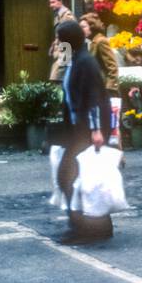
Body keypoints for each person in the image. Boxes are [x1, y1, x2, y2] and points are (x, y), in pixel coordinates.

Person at [55, 20, 114, 245]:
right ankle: (99, 226)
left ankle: (83, 228)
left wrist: (97, 130)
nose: (58, 42)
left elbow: (94, 98)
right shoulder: (75, 58)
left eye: (60, 38)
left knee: (68, 177)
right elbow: (63, 72)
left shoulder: (86, 62)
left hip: (88, 130)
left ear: (68, 39)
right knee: (86, 179)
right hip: (78, 128)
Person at [80, 13, 118, 95]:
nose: (81, 30)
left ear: (92, 26)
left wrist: (110, 88)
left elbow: (112, 66)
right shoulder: (93, 42)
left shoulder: (101, 41)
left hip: (104, 89)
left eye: (83, 27)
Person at [48, 0, 75, 81]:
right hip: (60, 52)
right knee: (57, 79)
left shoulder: (67, 15)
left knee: (58, 79)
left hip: (65, 51)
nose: (51, 5)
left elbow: (71, 36)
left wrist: (65, 57)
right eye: (50, 3)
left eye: (53, 2)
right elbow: (59, 35)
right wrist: (53, 46)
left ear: (60, 2)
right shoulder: (58, 16)